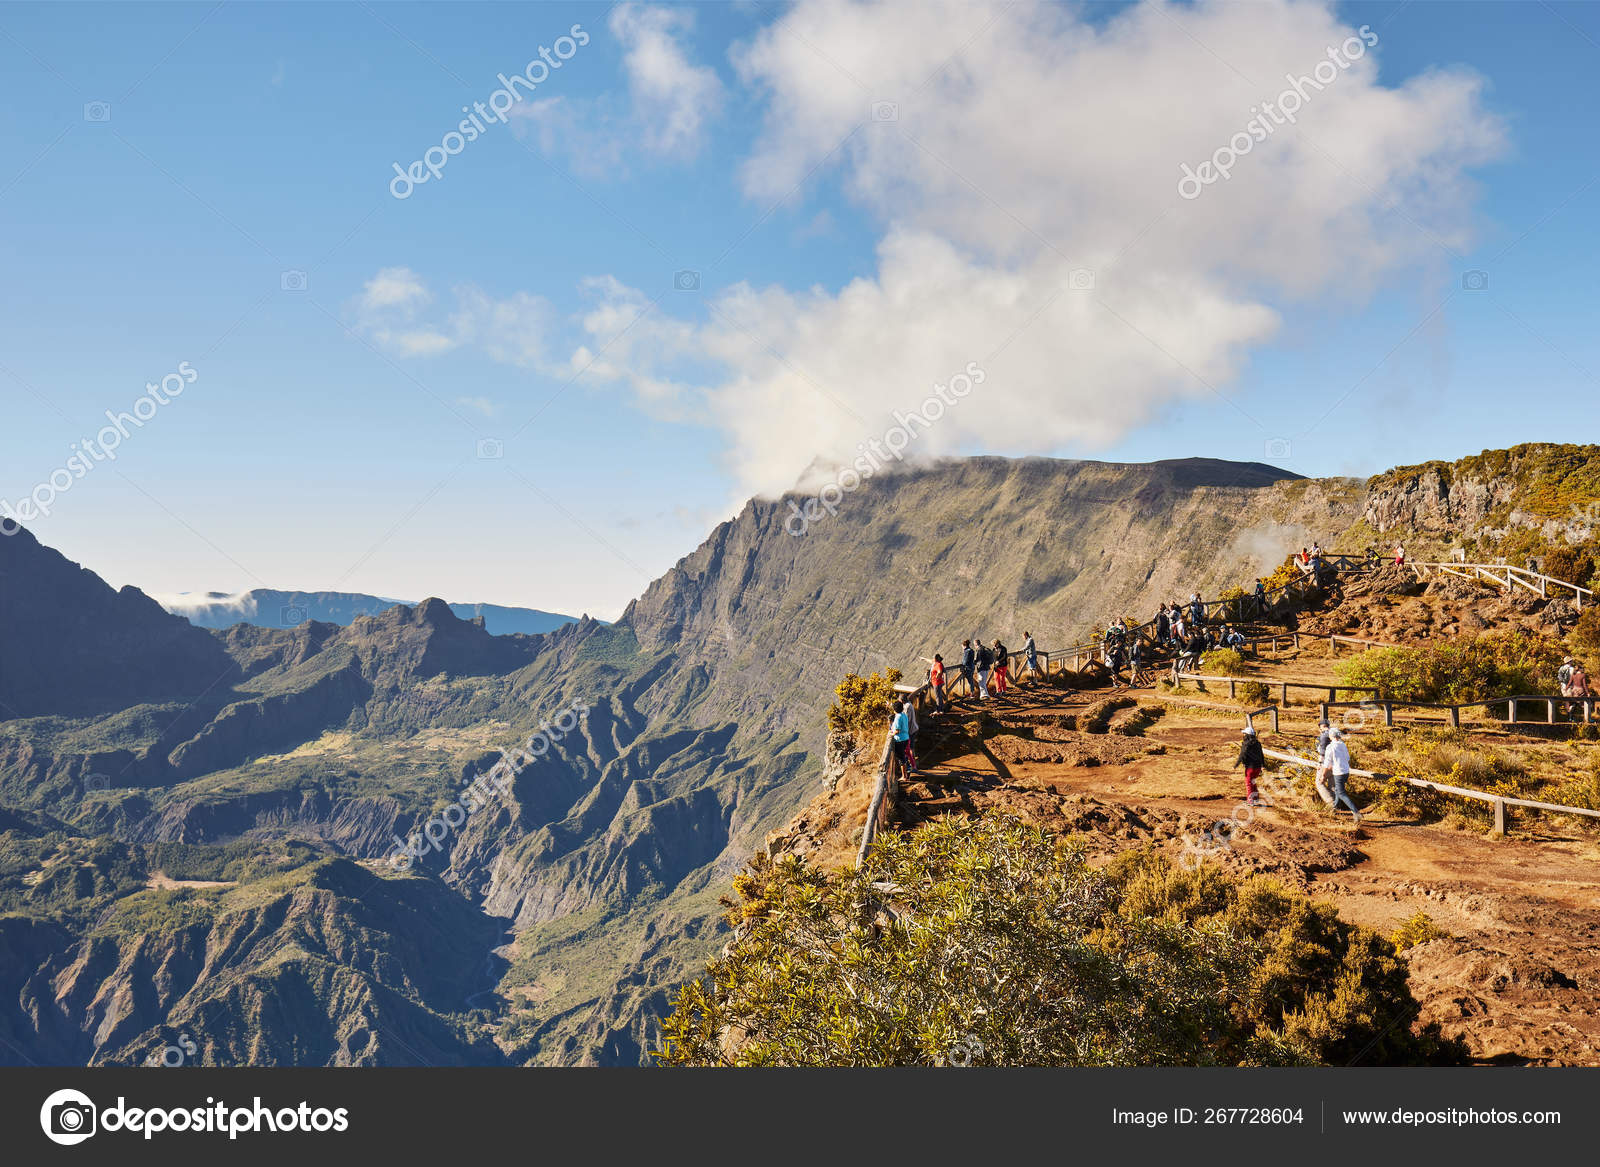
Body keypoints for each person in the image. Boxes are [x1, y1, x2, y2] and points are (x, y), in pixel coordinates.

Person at [1321, 727, 1360, 825]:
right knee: (1338, 790)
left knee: (1341, 793)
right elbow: (1347, 758)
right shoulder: (1342, 744)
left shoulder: (1330, 747)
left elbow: (1326, 763)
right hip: (1346, 772)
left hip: (1338, 773)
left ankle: (1356, 812)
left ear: (1332, 736)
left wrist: (1323, 776)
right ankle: (1335, 807)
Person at [1235, 726, 1265, 806]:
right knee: (1253, 782)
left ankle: (1250, 800)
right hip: (1258, 767)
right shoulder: (1258, 743)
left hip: (1250, 768)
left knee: (1249, 783)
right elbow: (1261, 754)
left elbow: (1242, 755)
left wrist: (1236, 765)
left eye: (1244, 733)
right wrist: (1263, 765)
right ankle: (1256, 798)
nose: (1243, 735)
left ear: (1247, 735)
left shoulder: (1246, 744)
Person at [1313, 719, 1335, 806]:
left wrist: (1319, 763)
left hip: (1326, 763)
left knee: (1319, 782)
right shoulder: (1334, 733)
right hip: (1336, 763)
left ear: (1321, 728)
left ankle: (1331, 803)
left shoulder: (1323, 736)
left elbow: (1322, 752)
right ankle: (1337, 804)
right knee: (1332, 785)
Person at [889, 700, 914, 777]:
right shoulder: (904, 715)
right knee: (903, 756)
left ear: (894, 710)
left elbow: (897, 730)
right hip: (906, 738)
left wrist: (891, 734)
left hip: (900, 740)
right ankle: (908, 769)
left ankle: (904, 776)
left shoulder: (898, 717)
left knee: (901, 759)